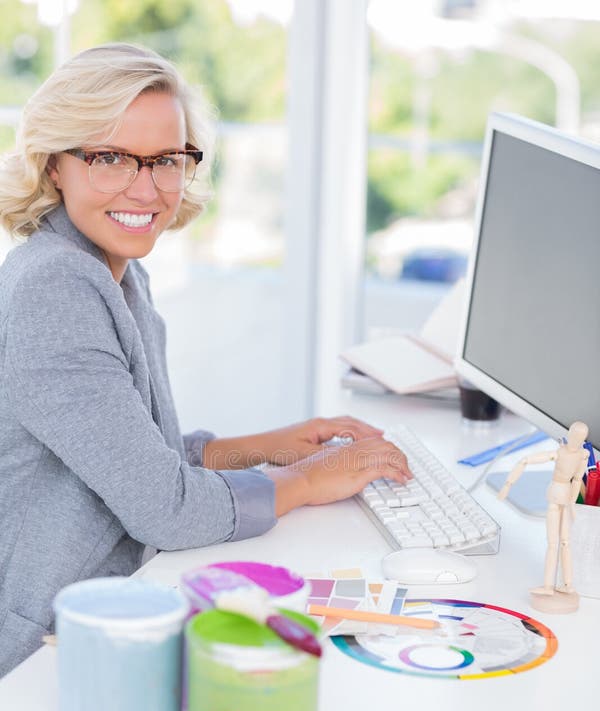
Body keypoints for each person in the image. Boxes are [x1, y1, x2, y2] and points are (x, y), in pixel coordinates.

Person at [0, 43, 411, 676]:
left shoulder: (114, 272)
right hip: (42, 649)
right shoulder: (55, 288)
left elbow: (144, 461)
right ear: (55, 165)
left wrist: (277, 447)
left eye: (166, 160)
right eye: (110, 157)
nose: (147, 188)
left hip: (105, 612)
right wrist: (307, 481)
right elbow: (167, 507)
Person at [498, 421, 589, 613]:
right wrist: (508, 484)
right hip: (555, 494)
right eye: (573, 436)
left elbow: (577, 479)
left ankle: (567, 584)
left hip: (564, 496)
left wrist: (573, 504)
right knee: (554, 543)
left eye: (580, 438)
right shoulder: (560, 452)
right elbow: (526, 460)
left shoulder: (583, 455)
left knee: (564, 543)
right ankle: (549, 586)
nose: (576, 441)